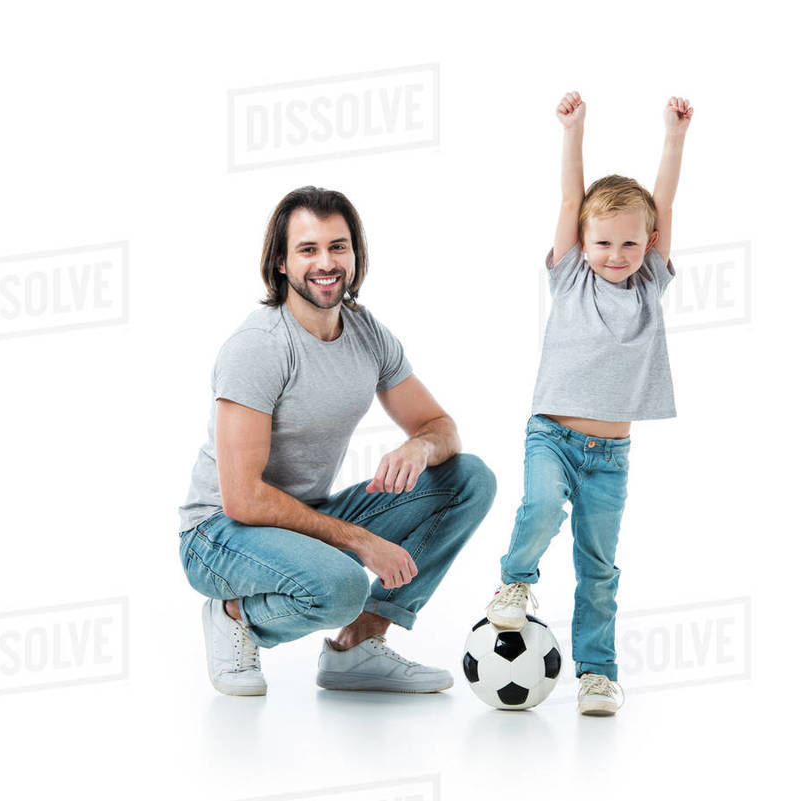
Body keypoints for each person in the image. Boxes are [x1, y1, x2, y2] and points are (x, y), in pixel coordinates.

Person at [179, 186, 496, 696]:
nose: (325, 263)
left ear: (355, 254)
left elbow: (441, 427)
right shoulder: (259, 348)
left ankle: (358, 647)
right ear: (280, 262)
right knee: (342, 585)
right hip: (219, 532)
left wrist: (419, 446)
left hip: (305, 516)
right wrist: (362, 542)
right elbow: (241, 497)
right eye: (308, 249)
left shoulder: (367, 334)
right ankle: (234, 612)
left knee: (469, 478)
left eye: (338, 246)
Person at [485, 92, 694, 716]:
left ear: (647, 243)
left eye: (630, 245)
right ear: (582, 241)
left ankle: (597, 673)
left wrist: (674, 138)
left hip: (611, 453)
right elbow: (571, 200)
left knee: (599, 566)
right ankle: (516, 579)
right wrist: (574, 131)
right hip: (551, 433)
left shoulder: (650, 281)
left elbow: (667, 201)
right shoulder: (570, 273)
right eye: (603, 243)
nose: (616, 255)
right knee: (542, 505)